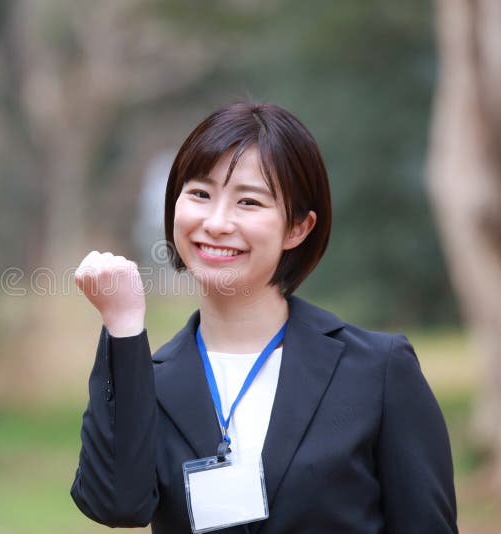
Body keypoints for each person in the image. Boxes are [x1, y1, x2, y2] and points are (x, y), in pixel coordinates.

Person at [70, 101, 457, 533]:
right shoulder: (150, 382)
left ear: (298, 228)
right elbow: (118, 505)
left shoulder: (378, 371)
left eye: (249, 202)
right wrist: (123, 327)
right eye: (199, 194)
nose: (216, 223)